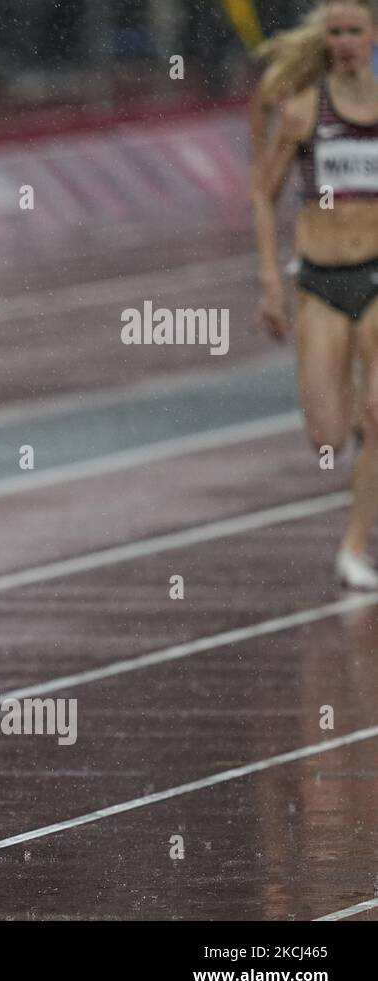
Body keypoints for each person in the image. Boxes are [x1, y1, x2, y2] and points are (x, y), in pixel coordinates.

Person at [253, 0, 378, 589]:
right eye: (337, 32)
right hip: (323, 284)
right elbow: (263, 192)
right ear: (325, 40)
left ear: (374, 35)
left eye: (356, 30)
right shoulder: (305, 112)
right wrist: (271, 281)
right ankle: (356, 411)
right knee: (327, 437)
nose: (347, 41)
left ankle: (355, 546)